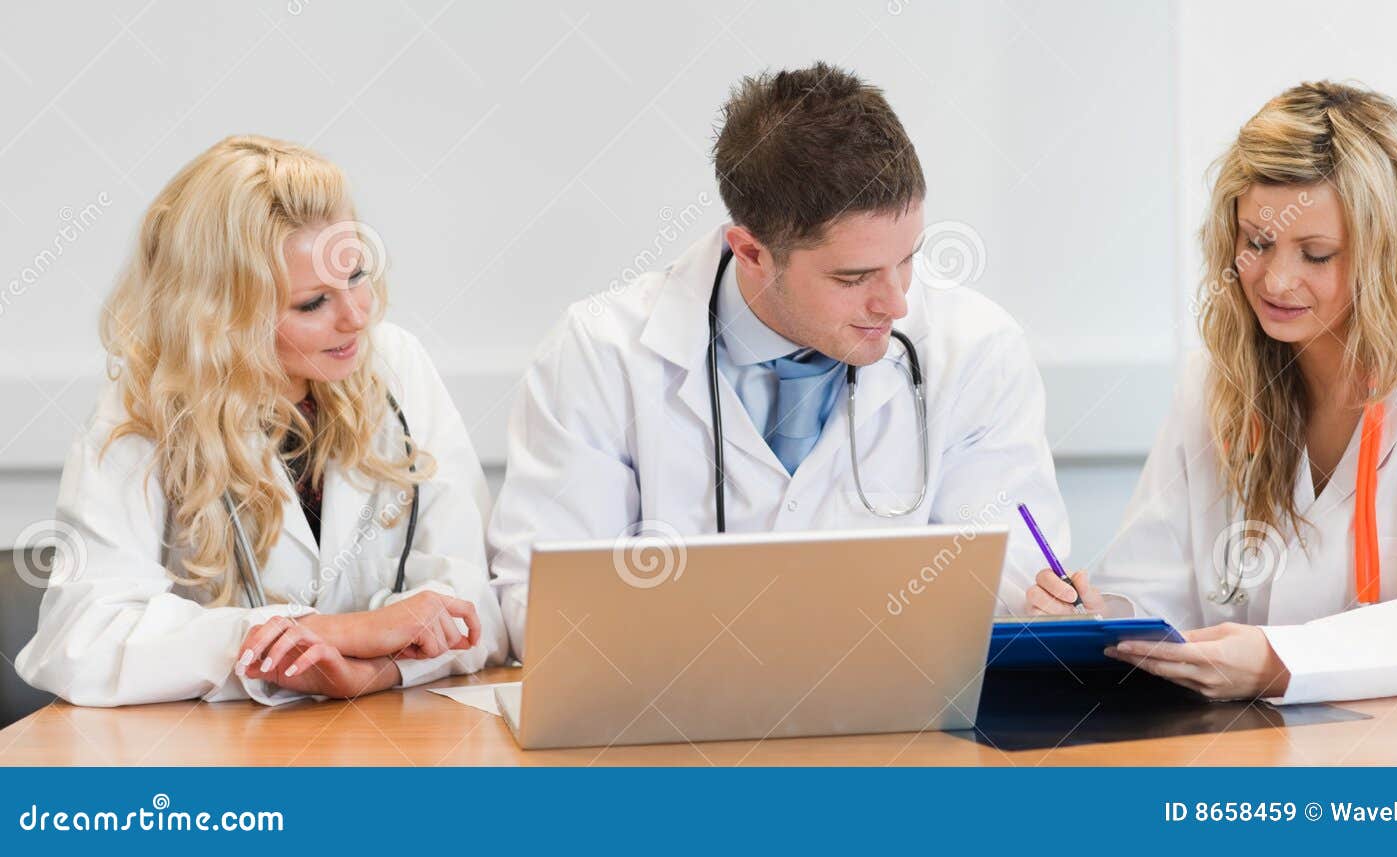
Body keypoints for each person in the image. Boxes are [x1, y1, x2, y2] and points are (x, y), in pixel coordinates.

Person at [1027, 82, 1397, 704]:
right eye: (1256, 243)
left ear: (1385, 257)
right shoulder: (1215, 387)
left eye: (1316, 254)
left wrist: (1283, 659)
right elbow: (1152, 596)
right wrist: (1095, 617)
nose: (1276, 279)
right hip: (1248, 764)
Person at [487, 63, 1069, 657]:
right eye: (854, 276)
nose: (896, 301)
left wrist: (1043, 605)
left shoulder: (977, 348)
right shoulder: (599, 352)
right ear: (751, 252)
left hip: (902, 734)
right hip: (670, 734)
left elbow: (1014, 581)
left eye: (909, 258)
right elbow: (544, 608)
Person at [17, 135, 508, 706]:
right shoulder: (145, 407)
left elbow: (476, 607)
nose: (356, 316)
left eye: (357, 276)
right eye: (311, 304)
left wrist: (369, 672)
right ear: (221, 315)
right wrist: (326, 634)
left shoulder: (397, 368)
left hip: (390, 742)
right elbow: (81, 641)